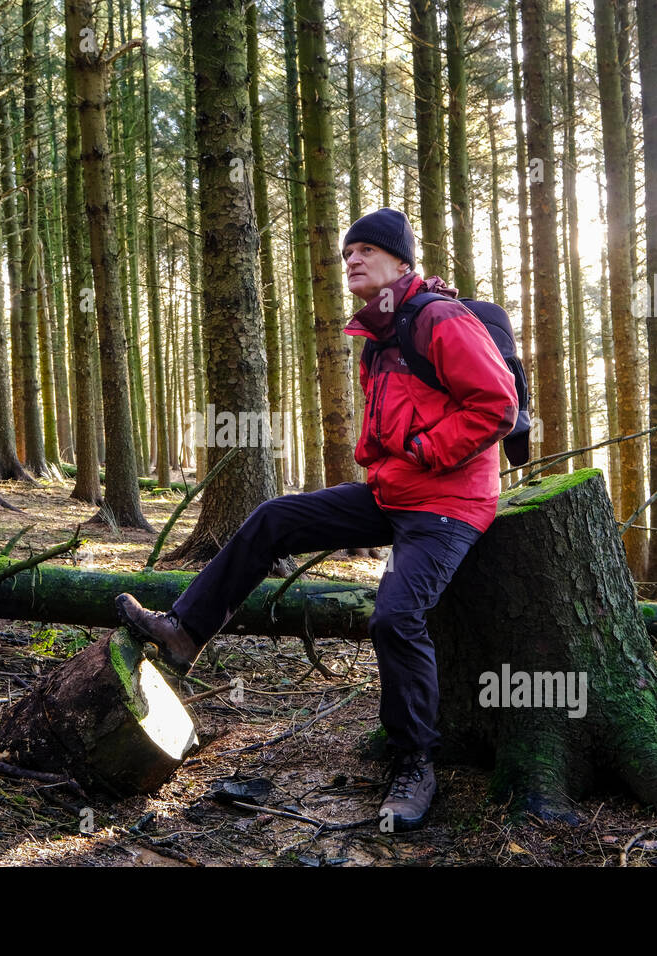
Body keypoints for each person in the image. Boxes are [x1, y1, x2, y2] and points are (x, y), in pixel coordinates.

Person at [115, 208, 519, 831]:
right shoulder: (381, 335)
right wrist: (391, 460)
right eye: (346, 252)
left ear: (400, 261)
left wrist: (424, 452)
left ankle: (415, 763)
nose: (351, 260)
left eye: (365, 250)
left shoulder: (438, 319)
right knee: (277, 517)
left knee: (396, 613)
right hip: (394, 493)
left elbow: (496, 403)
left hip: (449, 505)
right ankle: (186, 630)